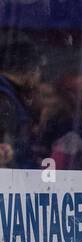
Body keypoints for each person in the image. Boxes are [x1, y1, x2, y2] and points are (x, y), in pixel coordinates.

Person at [0, 34, 43, 169]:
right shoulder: (5, 100)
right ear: (31, 70)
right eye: (39, 70)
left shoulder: (12, 96)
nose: (39, 78)